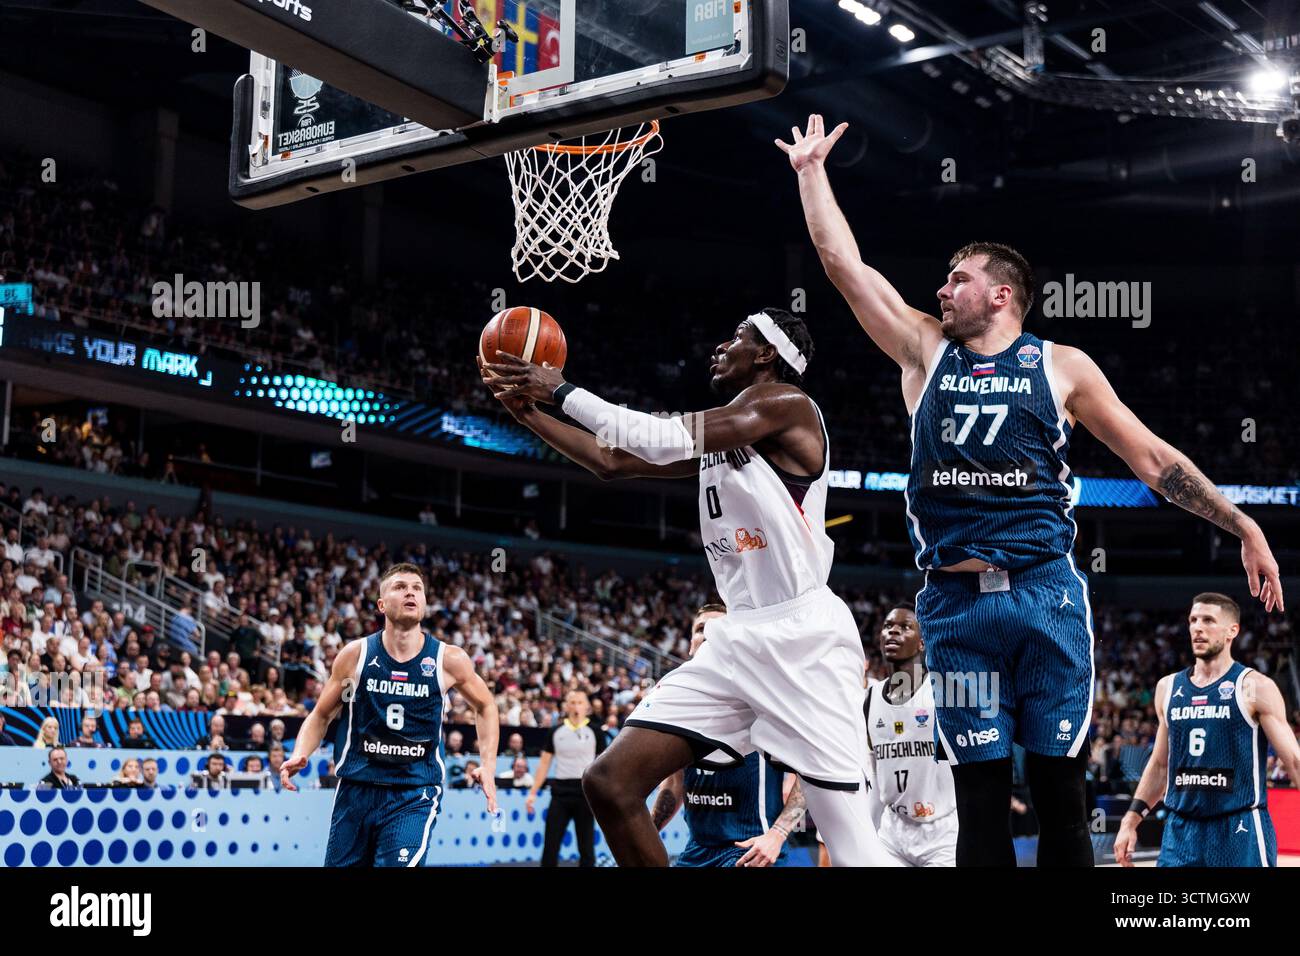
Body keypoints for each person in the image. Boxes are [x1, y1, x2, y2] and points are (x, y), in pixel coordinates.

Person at [777, 114, 1285, 866]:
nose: (942, 288)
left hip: (1045, 599)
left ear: (1002, 294)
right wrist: (811, 175)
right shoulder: (923, 350)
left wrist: (1241, 521)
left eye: (959, 277)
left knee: (1059, 798)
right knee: (980, 806)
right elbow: (842, 265)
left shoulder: (1062, 365)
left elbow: (1151, 460)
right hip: (957, 613)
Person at [482, 309, 892, 867]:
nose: (721, 344)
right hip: (736, 637)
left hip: (804, 641)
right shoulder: (723, 432)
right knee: (610, 782)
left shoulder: (786, 407)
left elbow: (654, 437)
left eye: (738, 337)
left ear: (768, 354)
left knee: (854, 851)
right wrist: (525, 411)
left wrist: (561, 389)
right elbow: (609, 460)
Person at [281, 563, 500, 867]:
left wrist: (488, 766)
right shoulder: (355, 655)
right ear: (381, 605)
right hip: (356, 789)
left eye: (417, 588)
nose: (410, 592)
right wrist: (300, 752)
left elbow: (486, 706)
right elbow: (321, 714)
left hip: (414, 792)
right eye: (400, 586)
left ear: (423, 603)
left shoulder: (448, 659)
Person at [1114, 593, 1300, 867]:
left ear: (1231, 631)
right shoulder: (1168, 688)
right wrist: (1130, 820)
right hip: (1181, 831)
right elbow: (1160, 766)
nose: (1197, 627)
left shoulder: (1254, 686)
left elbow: (1294, 761)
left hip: (1239, 828)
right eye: (1193, 620)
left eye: (1209, 620)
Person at [650, 604, 807, 867]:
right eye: (701, 629)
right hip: (696, 852)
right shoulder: (678, 699)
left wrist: (778, 835)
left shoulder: (767, 697)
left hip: (751, 849)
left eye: (720, 629)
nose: (710, 635)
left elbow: (811, 772)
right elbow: (675, 783)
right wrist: (648, 829)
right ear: (691, 645)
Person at [861, 605, 957, 867]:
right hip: (892, 832)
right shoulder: (869, 699)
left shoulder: (942, 691)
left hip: (942, 832)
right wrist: (866, 834)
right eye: (887, 626)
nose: (893, 631)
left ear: (922, 643)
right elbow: (874, 776)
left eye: (905, 627)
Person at [526, 690, 604, 867]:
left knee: (586, 846)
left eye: (580, 702)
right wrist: (532, 793)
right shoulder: (555, 731)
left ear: (587, 707)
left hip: (585, 794)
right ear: (566, 706)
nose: (576, 706)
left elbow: (602, 766)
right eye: (573, 702)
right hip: (560, 793)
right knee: (551, 844)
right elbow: (544, 764)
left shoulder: (596, 731)